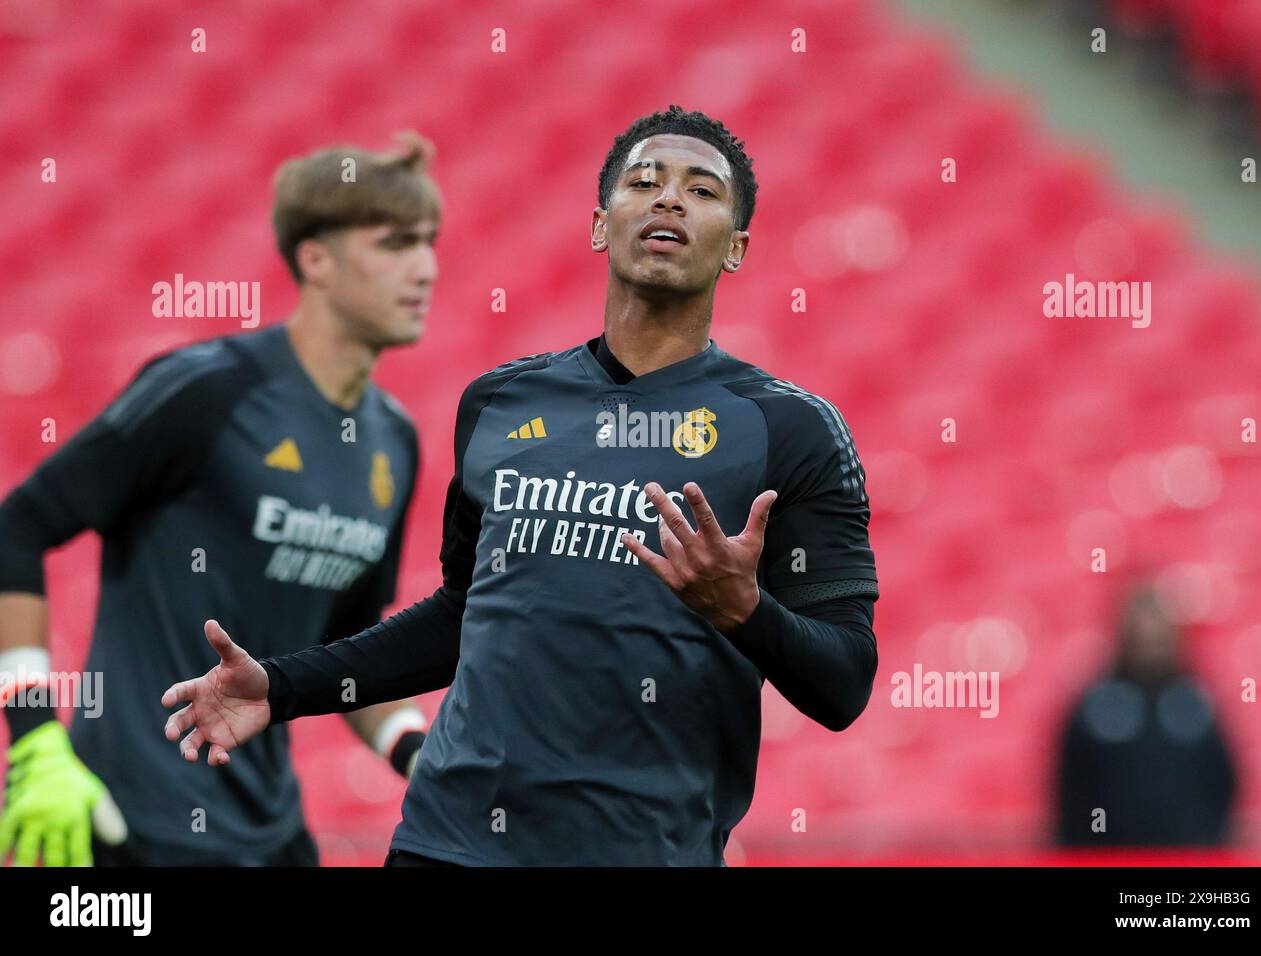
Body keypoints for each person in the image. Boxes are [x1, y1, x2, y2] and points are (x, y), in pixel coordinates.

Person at [162, 105, 881, 866]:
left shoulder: (789, 429)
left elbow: (844, 684)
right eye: (645, 182)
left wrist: (746, 612)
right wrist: (279, 688)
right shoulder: (500, 404)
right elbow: (460, 618)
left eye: (702, 191)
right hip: (449, 844)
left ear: (735, 247)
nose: (669, 198)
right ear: (603, 224)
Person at [0, 131, 441, 866]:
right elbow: (18, 527)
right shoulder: (205, 390)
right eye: (396, 244)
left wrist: (420, 756)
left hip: (272, 841)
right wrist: (34, 736)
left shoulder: (396, 439)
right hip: (126, 831)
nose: (425, 269)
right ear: (316, 259)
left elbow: (352, 649)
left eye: (430, 243)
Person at [1056, 585, 1238, 847]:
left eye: (1158, 634)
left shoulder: (1198, 707)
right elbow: (1071, 787)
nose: (1150, 642)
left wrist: (1206, 844)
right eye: (1141, 633)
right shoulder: (1095, 709)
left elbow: (1222, 784)